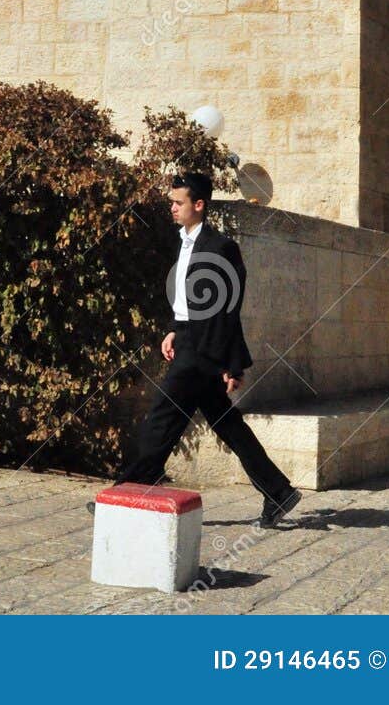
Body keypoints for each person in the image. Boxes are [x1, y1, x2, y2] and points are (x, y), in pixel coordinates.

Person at [102, 171, 301, 529]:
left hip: (203, 351)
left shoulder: (221, 247)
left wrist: (230, 362)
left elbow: (226, 308)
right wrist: (175, 330)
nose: (172, 208)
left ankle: (127, 494)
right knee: (228, 425)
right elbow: (188, 300)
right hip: (190, 340)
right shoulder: (182, 241)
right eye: (172, 202)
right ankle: (278, 491)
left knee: (162, 417)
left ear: (199, 205)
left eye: (178, 203)